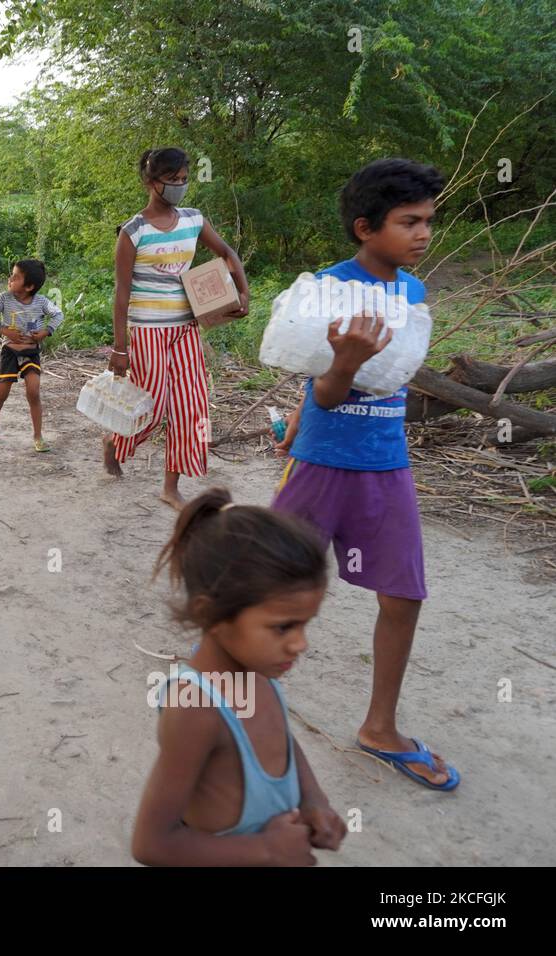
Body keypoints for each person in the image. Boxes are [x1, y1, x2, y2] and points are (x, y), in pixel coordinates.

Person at [272, 158, 458, 792]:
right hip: (322, 462)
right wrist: (343, 367)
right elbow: (324, 392)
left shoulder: (412, 294)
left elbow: (391, 377)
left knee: (403, 596)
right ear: (365, 227)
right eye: (409, 222)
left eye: (428, 221)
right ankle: (230, 711)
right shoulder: (326, 290)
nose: (423, 233)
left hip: (386, 461)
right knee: (274, 590)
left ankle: (380, 728)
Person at [131, 489, 346, 866]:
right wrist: (267, 850)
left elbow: (279, 737)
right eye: (283, 627)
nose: (301, 644)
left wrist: (314, 799)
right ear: (211, 614)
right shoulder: (196, 711)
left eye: (305, 624)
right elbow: (151, 844)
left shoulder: (257, 670)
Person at [106, 147, 249, 508]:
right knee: (150, 407)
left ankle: (170, 488)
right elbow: (121, 294)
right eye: (172, 180)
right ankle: (114, 440)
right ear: (151, 181)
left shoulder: (193, 220)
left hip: (186, 329)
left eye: (184, 179)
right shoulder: (133, 231)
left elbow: (227, 254)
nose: (180, 186)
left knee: (190, 407)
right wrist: (120, 348)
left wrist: (242, 291)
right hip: (147, 331)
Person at [0, 259, 64, 452]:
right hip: (10, 351)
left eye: (16, 277)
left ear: (29, 287)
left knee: (33, 392)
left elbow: (58, 314)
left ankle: (38, 436)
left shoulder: (41, 302)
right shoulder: (3, 299)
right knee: (2, 394)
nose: (10, 278)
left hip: (31, 352)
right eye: (12, 275)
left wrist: (45, 332)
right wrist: (4, 331)